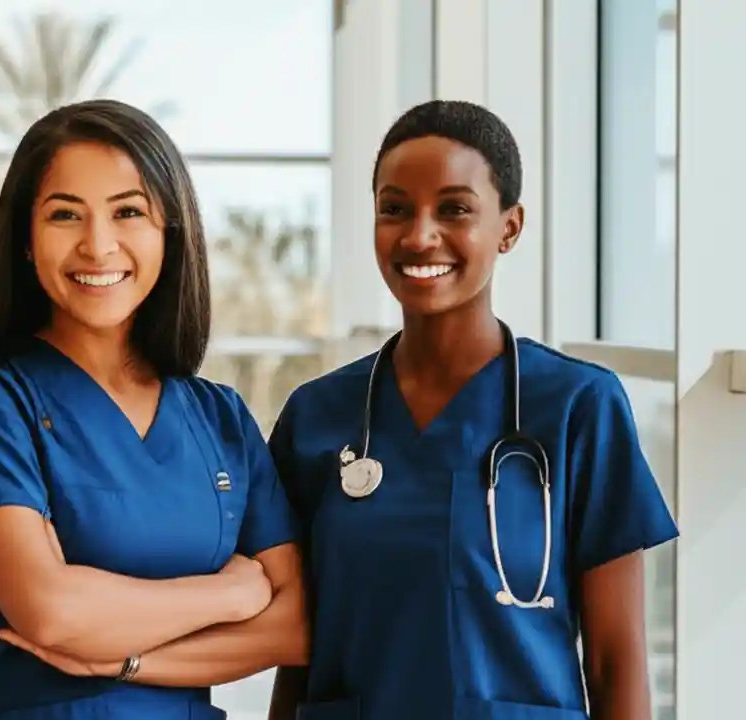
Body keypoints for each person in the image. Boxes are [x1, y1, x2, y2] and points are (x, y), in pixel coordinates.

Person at [267, 99, 679, 720]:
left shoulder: (578, 407)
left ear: (509, 228)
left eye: (455, 209)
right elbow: (297, 650)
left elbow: (615, 661)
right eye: (394, 209)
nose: (419, 235)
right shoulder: (317, 417)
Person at [0, 98, 308, 718]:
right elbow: (51, 612)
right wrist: (231, 593)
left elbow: (293, 625)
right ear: (24, 238)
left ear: (168, 232)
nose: (98, 246)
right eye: (65, 215)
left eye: (128, 212)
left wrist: (125, 661)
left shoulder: (221, 418)